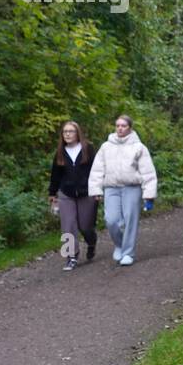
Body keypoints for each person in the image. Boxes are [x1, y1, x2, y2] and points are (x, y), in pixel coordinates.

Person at [87, 114, 158, 266]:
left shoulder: (139, 147)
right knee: (111, 220)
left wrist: (149, 195)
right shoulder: (106, 147)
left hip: (132, 187)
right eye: (117, 125)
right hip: (111, 188)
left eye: (123, 126)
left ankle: (128, 253)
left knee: (130, 219)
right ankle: (119, 244)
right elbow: (97, 170)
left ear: (130, 128)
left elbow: (148, 172)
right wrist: (96, 190)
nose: (120, 128)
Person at [48, 121, 97, 271]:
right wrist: (52, 193)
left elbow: (96, 170)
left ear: (78, 133)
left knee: (85, 226)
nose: (68, 134)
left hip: (86, 192)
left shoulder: (88, 148)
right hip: (66, 193)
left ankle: (92, 242)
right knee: (68, 225)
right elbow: (55, 175)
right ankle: (71, 256)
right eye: (65, 132)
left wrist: (98, 189)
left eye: (71, 131)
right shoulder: (60, 152)